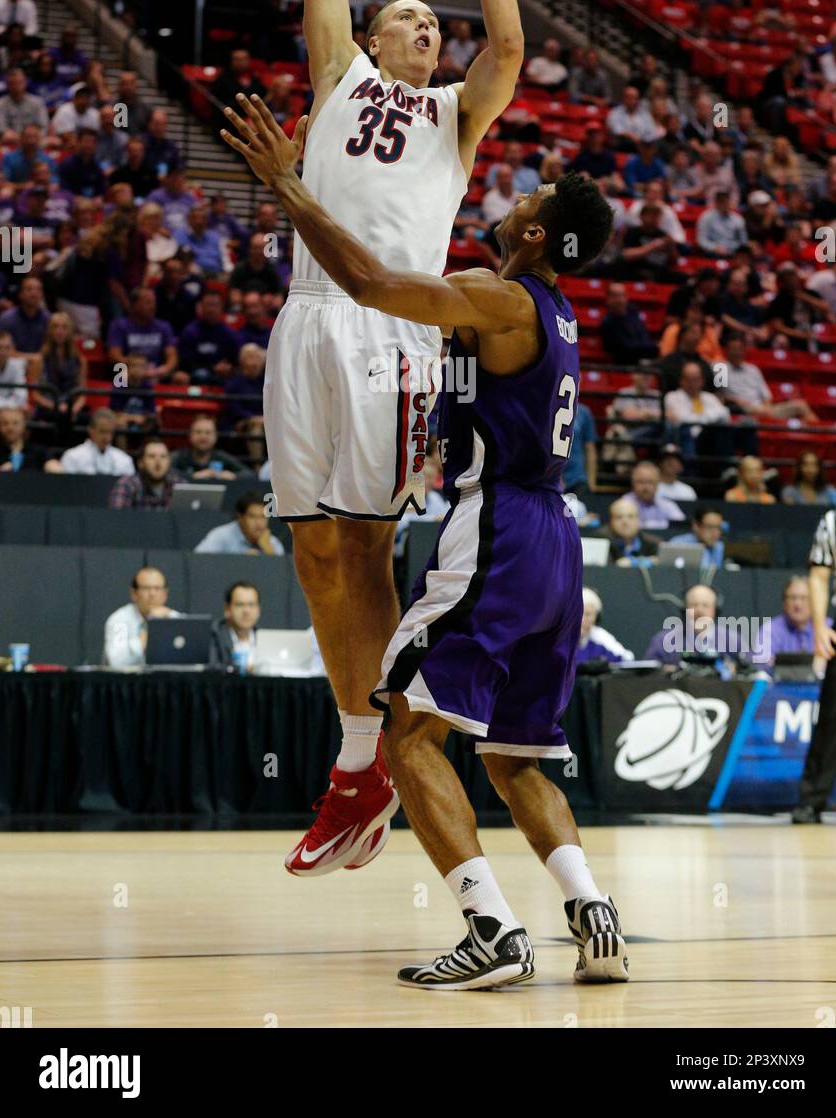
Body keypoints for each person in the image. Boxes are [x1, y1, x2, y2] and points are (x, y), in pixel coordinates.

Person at [225, 93, 626, 986]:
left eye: (533, 197)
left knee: (407, 730)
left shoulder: (501, 297)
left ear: (534, 236)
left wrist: (290, 188)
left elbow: (369, 286)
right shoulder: (554, 313)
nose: (518, 196)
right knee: (518, 758)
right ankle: (593, 916)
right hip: (560, 542)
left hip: (502, 530)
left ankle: (492, 931)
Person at [221, 0, 531, 884]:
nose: (422, 32)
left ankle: (375, 761)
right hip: (305, 317)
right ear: (371, 34)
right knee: (309, 550)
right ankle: (357, 762)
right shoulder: (338, 77)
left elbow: (508, 50)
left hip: (392, 332)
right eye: (405, 17)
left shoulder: (454, 115)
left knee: (361, 549)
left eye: (427, 27)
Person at [793, 456, 836, 821]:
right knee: (832, 717)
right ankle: (810, 800)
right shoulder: (832, 522)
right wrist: (819, 625)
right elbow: (818, 576)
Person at [103, 567, 181, 670]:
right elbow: (115, 662)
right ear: (134, 594)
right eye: (146, 588)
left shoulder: (176, 619)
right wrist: (150, 630)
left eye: (157, 588)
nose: (152, 594)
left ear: (165, 594)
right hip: (128, 683)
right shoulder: (120, 621)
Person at [194, 491, 285, 555]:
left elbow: (283, 576)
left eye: (263, 517)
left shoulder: (272, 543)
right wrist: (239, 562)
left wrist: (269, 553)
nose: (259, 523)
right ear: (240, 517)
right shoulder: (221, 536)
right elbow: (199, 560)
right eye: (253, 517)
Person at [57, 408, 135, 477]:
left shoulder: (124, 460)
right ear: (91, 430)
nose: (107, 437)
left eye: (110, 432)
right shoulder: (72, 457)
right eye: (102, 432)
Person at [171, 414, 251, 480]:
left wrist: (232, 476)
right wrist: (193, 476)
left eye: (208, 433)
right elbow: (166, 471)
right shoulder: (180, 455)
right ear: (190, 435)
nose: (203, 437)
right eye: (198, 432)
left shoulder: (221, 456)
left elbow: (249, 474)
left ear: (216, 436)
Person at [108, 438, 177, 509]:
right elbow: (115, 517)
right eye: (152, 456)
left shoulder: (179, 485)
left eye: (163, 456)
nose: (158, 462)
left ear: (169, 462)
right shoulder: (127, 484)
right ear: (140, 463)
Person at [210, 581, 261, 672]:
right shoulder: (214, 635)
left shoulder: (263, 638)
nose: (246, 611)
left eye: (251, 605)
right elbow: (212, 670)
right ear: (227, 609)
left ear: (258, 609)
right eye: (240, 605)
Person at [620, 461, 685, 530]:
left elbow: (681, 526)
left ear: (658, 483)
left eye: (650, 482)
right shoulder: (624, 503)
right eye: (641, 482)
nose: (645, 487)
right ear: (633, 483)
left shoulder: (667, 505)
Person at [577, 589, 634, 665]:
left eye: (587, 615)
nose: (582, 619)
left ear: (596, 618)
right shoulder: (559, 637)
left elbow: (627, 659)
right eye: (578, 613)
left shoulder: (599, 637)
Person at [596, 497, 661, 564]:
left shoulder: (653, 542)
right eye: (619, 517)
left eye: (630, 516)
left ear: (638, 520)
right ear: (611, 522)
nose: (625, 522)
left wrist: (633, 562)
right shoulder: (601, 540)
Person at [0, 405, 47, 471]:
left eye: (15, 423)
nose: (10, 428)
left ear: (24, 425)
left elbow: (53, 466)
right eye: (5, 423)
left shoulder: (39, 452)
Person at [669, 504, 725, 569]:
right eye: (710, 527)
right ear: (696, 526)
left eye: (718, 527)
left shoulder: (719, 547)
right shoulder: (677, 544)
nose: (715, 533)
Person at [0, 330, 28, 414]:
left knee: (25, 409)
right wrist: (6, 406)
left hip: (11, 408)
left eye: (7, 347)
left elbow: (21, 395)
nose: (3, 352)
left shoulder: (17, 365)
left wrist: (7, 407)